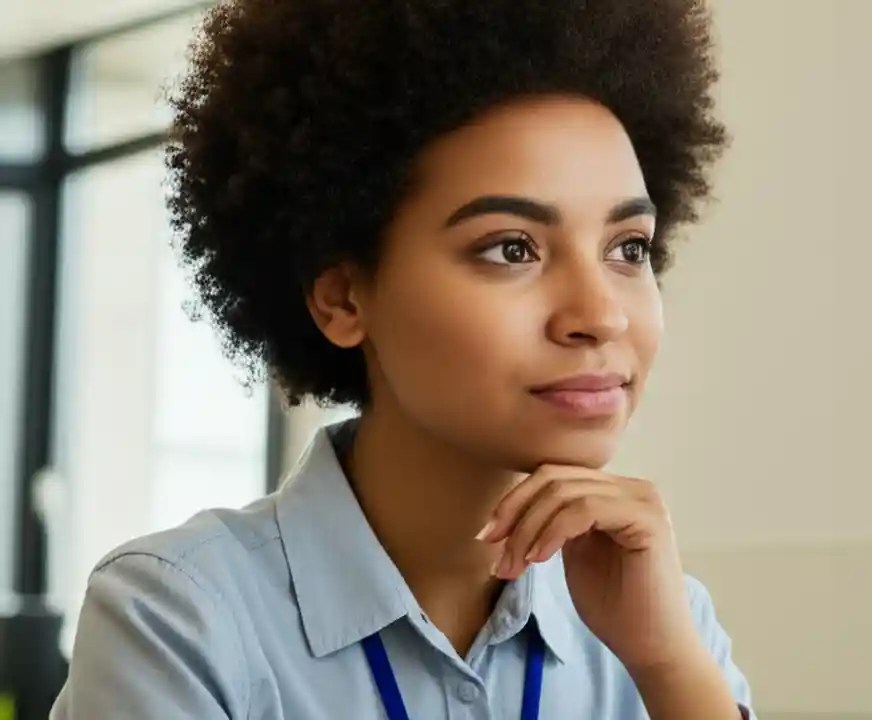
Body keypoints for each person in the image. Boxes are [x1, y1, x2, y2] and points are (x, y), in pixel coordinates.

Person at [51, 0, 750, 718]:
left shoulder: (663, 626)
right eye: (512, 248)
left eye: (628, 248)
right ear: (343, 300)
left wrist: (668, 667)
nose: (601, 315)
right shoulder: (177, 621)